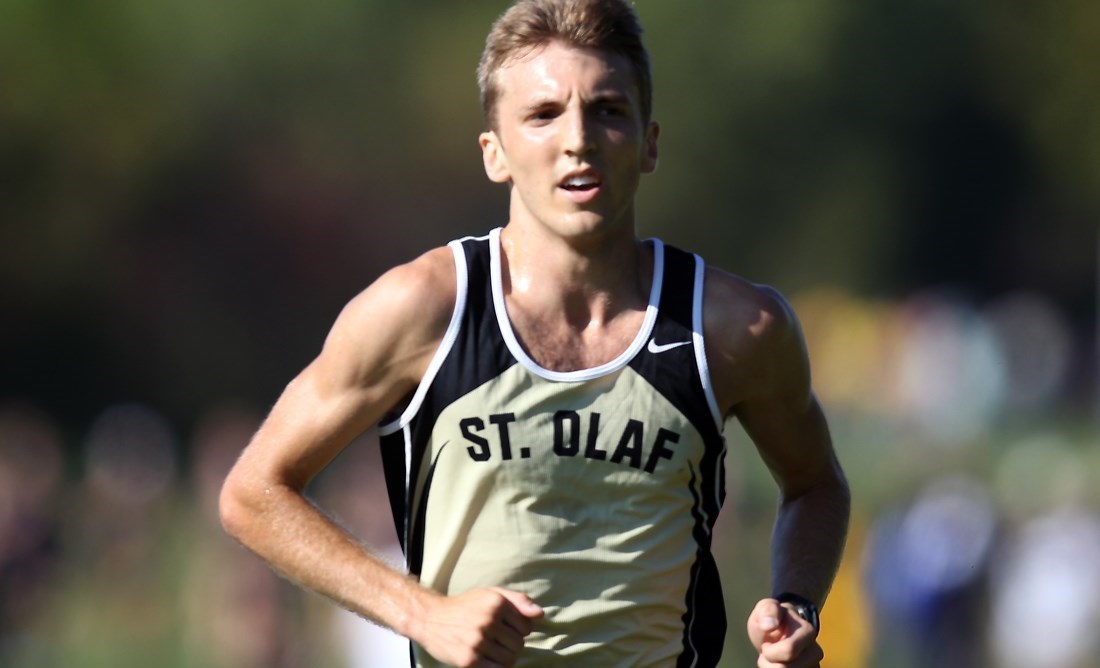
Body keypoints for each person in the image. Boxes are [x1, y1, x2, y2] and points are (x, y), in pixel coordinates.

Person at [219, 1, 851, 666]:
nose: (578, 138)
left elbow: (816, 485)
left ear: (650, 142)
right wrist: (423, 614)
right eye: (544, 114)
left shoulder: (735, 327)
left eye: (607, 110)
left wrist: (797, 605)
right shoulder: (424, 309)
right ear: (495, 152)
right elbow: (254, 493)